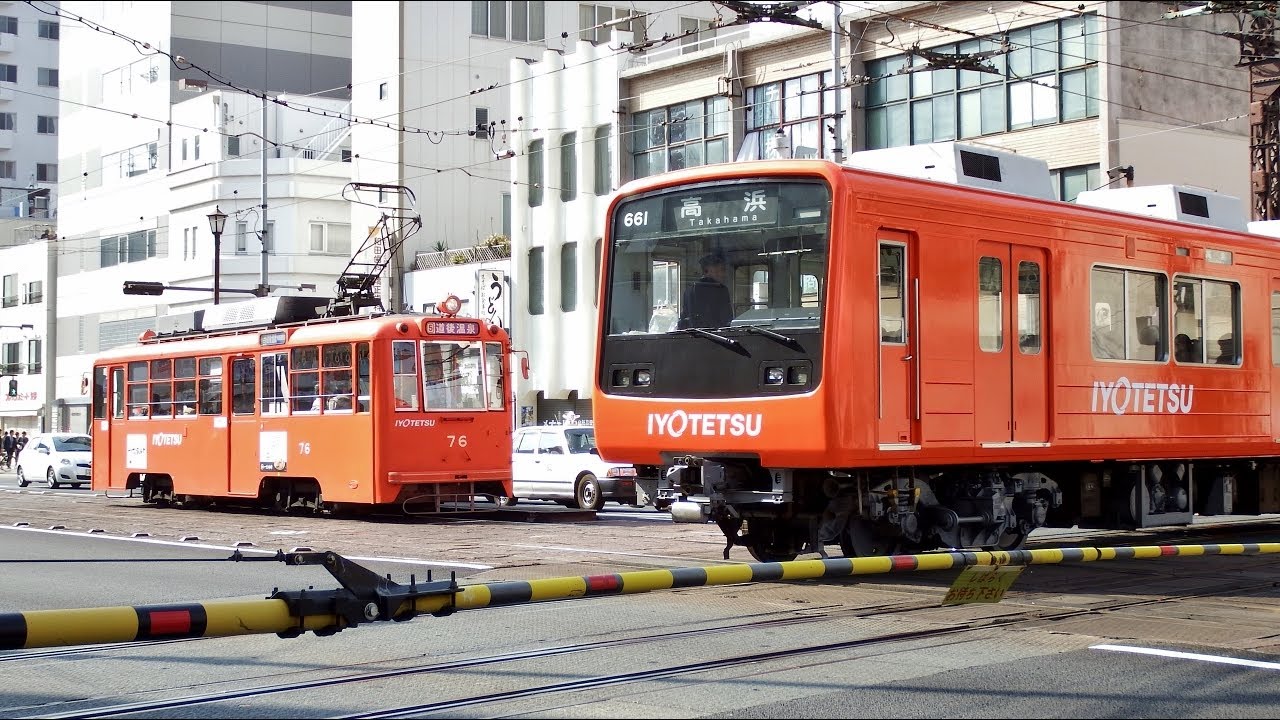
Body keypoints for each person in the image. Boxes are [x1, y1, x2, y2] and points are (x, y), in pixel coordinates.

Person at [678, 253, 734, 330]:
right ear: (708, 271)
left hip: (694, 335)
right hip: (716, 335)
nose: (723, 274)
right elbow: (726, 319)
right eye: (720, 270)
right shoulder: (721, 290)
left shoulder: (689, 289)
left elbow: (684, 319)